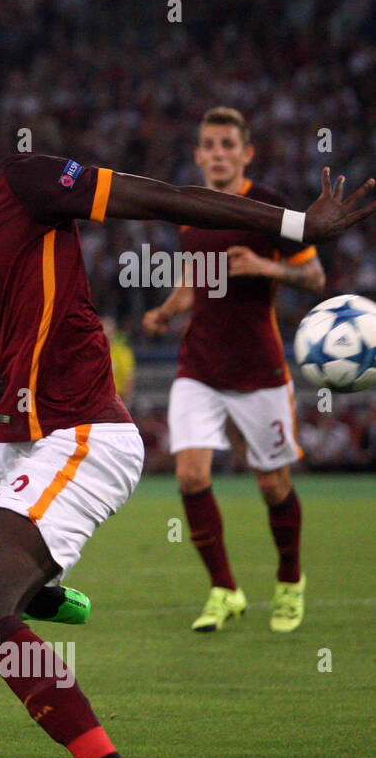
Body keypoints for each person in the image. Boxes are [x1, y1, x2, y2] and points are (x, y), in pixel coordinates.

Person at [0, 105, 374, 758]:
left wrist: (297, 226)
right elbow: (10, 376)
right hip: (32, 429)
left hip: (84, 435)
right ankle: (44, 594)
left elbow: (155, 196)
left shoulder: (23, 184)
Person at [143, 107, 324, 634]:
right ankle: (224, 590)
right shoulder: (188, 208)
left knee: (272, 483)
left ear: (245, 153)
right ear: (198, 154)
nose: (218, 153)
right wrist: (169, 310)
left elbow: (313, 274)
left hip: (260, 368)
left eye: (228, 145)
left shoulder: (269, 206)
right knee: (191, 473)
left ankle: (290, 581)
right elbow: (194, 275)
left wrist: (264, 266)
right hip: (198, 364)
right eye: (209, 145)